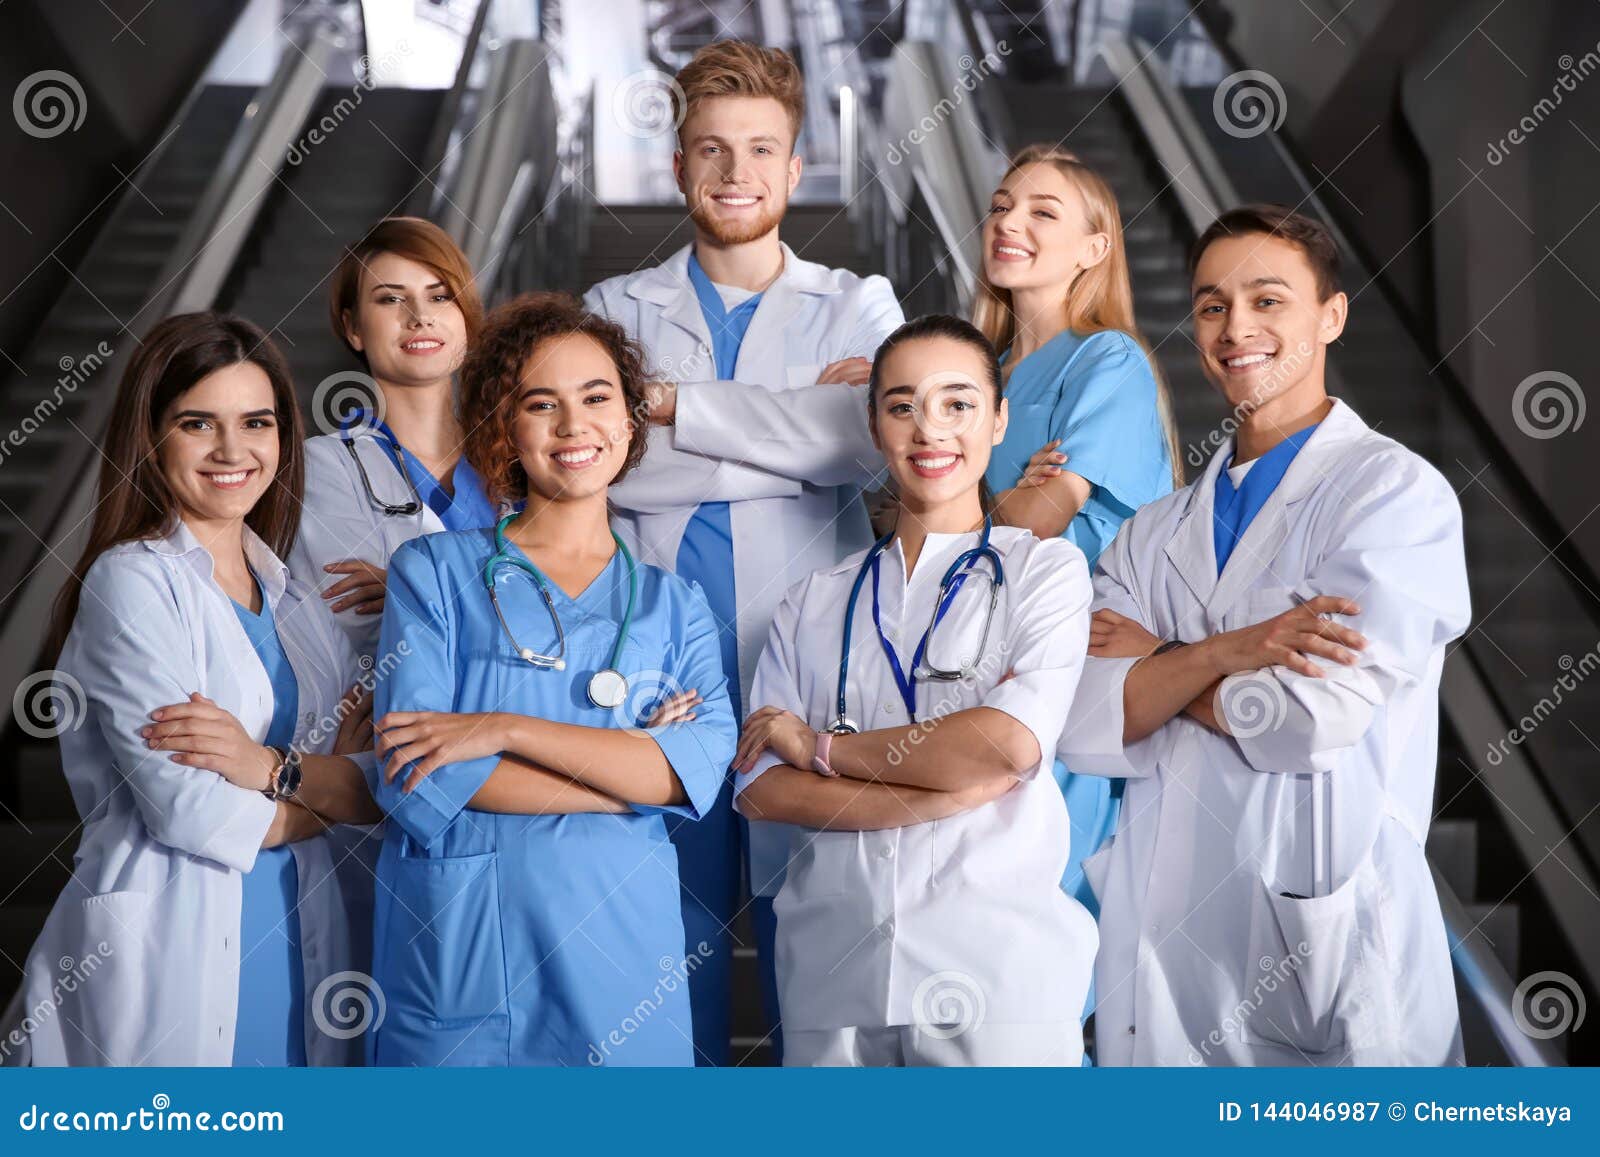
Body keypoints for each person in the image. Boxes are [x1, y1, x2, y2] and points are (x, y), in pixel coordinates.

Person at [1058, 205, 1470, 1066]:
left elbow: (1309, 719)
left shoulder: (1394, 498)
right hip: (1163, 956)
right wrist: (1228, 653)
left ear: (1331, 315)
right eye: (1211, 305)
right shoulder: (1152, 530)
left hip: (1316, 951)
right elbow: (1086, 721)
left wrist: (1158, 670)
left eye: (1267, 299)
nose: (1235, 327)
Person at [584, 40, 904, 1063]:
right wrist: (797, 430)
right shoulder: (609, 310)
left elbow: (866, 440)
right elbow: (610, 469)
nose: (735, 173)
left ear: (795, 167)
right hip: (654, 678)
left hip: (810, 677)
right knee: (662, 953)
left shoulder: (861, 303)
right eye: (710, 150)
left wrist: (675, 408)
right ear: (677, 168)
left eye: (760, 149)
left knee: (816, 952)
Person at [1, 312, 382, 1066]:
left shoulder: (294, 597)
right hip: (170, 956)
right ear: (152, 435)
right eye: (198, 423)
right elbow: (196, 814)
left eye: (257, 422)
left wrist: (276, 771)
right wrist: (324, 789)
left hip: (298, 940)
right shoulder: (130, 583)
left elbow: (376, 785)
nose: (233, 450)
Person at [366, 293, 736, 1067]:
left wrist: (501, 728)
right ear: (505, 428)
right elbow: (415, 768)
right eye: (542, 404)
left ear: (630, 422)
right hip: (471, 948)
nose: (574, 427)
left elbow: (692, 769)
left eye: (597, 398)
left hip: (624, 952)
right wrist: (625, 773)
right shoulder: (433, 573)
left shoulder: (677, 606)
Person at [732, 315, 1096, 1067]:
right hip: (835, 970)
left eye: (957, 404)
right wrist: (930, 793)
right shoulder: (813, 600)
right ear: (874, 424)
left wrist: (820, 747)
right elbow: (762, 787)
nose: (929, 429)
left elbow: (1004, 743)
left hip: (994, 971)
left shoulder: (1043, 574)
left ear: (998, 419)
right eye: (902, 406)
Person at [975, 144, 1180, 917]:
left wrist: (972, 506)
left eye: (1041, 211)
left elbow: (1040, 519)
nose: (1008, 221)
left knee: (1054, 899)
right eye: (1000, 206)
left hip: (1074, 668)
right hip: (978, 661)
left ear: (1095, 250)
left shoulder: (1107, 360)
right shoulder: (978, 372)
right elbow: (906, 523)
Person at [289, 216, 495, 663]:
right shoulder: (325, 466)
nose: (419, 318)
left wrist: (405, 586)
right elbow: (369, 625)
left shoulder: (512, 455)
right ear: (354, 328)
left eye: (440, 296)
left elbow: (579, 596)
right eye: (390, 299)